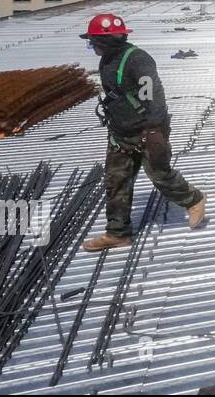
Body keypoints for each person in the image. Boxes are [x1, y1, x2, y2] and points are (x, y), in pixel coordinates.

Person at [79, 13, 206, 251]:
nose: (92, 46)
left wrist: (154, 131)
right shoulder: (107, 59)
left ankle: (194, 199)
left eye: (93, 42)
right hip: (120, 132)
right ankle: (118, 233)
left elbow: (154, 97)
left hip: (147, 130)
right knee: (116, 181)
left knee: (159, 175)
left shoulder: (137, 60)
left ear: (107, 41)